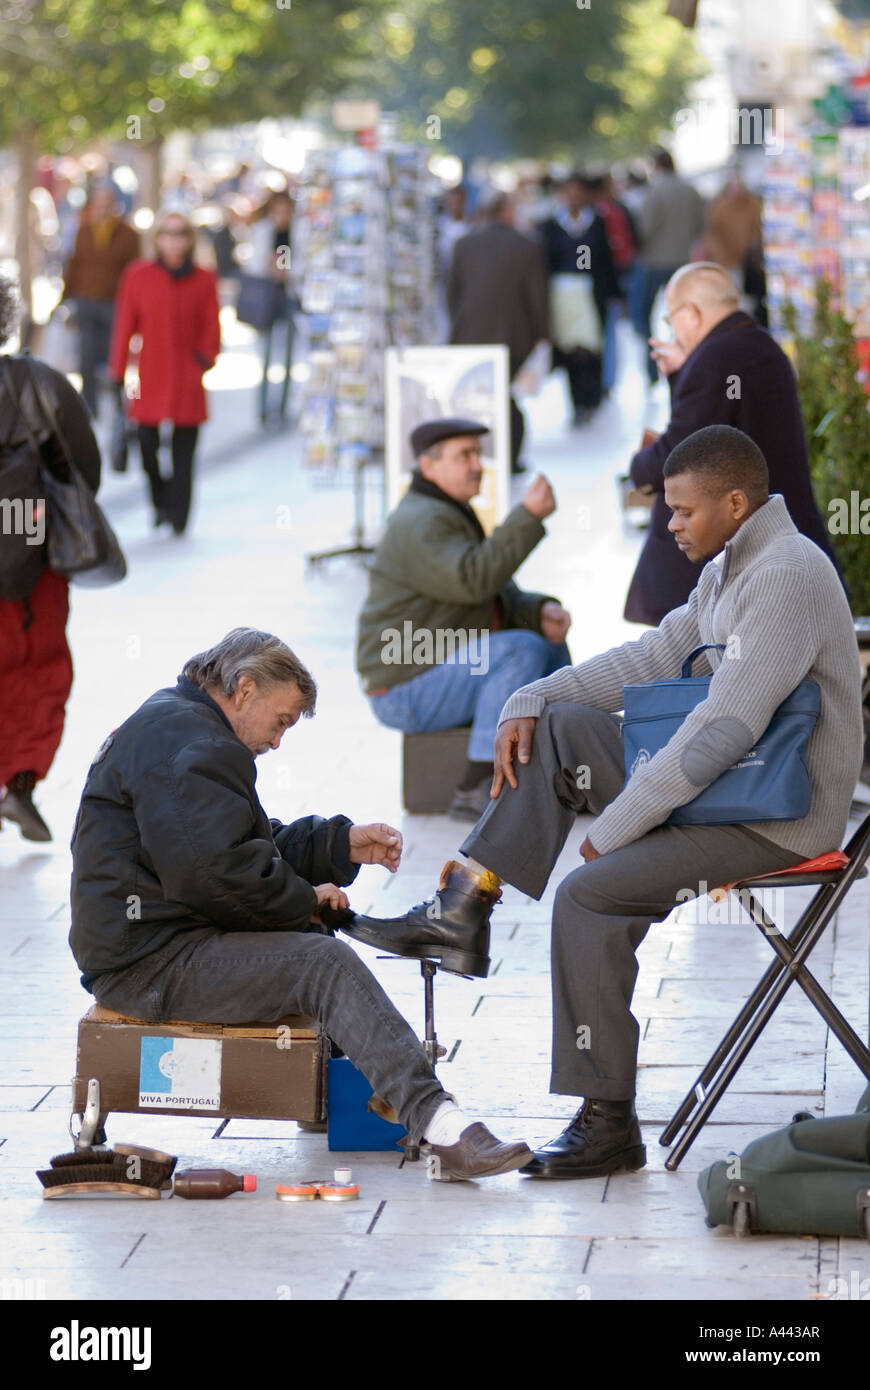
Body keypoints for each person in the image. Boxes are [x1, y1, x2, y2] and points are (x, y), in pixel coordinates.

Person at [338, 425, 864, 1178]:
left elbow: (721, 733)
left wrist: (615, 826)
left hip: (772, 816)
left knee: (587, 896)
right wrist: (531, 691)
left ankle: (608, 1123)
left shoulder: (783, 577)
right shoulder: (732, 565)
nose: (670, 524)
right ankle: (463, 910)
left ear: (736, 502)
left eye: (682, 511)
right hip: (734, 784)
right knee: (554, 728)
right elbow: (653, 656)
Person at [68, 628, 533, 1182]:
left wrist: (338, 845)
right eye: (282, 720)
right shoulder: (193, 745)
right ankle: (439, 1125)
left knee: (314, 941)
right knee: (321, 963)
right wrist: (304, 900)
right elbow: (213, 875)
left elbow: (238, 843)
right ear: (244, 689)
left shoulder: (183, 726)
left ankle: (339, 1104)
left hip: (155, 943)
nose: (278, 739)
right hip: (147, 963)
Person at [357, 417, 572, 820]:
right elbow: (473, 579)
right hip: (403, 687)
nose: (477, 464)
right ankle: (476, 785)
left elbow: (493, 589)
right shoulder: (423, 521)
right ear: (429, 466)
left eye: (478, 454)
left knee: (547, 641)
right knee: (519, 650)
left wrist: (538, 610)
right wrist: (527, 516)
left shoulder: (446, 510)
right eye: (464, 456)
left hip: (433, 666)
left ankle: (567, 762)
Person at [624, 262, 844, 625]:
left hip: (743, 554)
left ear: (690, 314)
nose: (672, 331)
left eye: (670, 320)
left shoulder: (714, 360)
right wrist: (683, 373)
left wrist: (638, 465)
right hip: (782, 538)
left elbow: (681, 458)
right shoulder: (761, 345)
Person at [0, 273, 102, 842]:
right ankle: (19, 781)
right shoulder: (37, 382)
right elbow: (84, 469)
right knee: (39, 666)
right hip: (33, 559)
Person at [109, 209, 221, 535]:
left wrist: (204, 359)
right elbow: (125, 325)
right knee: (146, 444)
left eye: (180, 233)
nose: (173, 240)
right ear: (157, 239)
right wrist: (118, 372)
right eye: (167, 233)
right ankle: (159, 499)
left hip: (187, 374)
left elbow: (212, 325)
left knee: (184, 451)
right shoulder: (138, 275)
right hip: (150, 374)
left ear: (189, 239)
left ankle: (179, 514)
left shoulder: (203, 279)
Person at [446, 191, 549, 474]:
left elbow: (452, 293)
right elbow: (536, 296)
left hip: (469, 335)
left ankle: (477, 455)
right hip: (512, 336)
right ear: (507, 212)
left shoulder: (463, 244)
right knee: (506, 396)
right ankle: (510, 458)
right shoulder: (526, 245)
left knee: (478, 395)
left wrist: (459, 326)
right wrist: (542, 334)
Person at [538, 174, 620, 425]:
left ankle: (592, 397)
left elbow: (607, 262)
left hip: (592, 293)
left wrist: (616, 294)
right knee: (569, 351)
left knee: (592, 348)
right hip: (562, 294)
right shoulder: (550, 226)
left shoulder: (597, 223)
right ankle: (577, 403)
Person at [61, 185, 140, 419]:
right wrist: (66, 298)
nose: (102, 207)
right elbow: (74, 265)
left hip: (114, 302)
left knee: (114, 355)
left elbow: (133, 270)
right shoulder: (84, 230)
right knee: (86, 354)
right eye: (98, 202)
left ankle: (118, 403)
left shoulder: (128, 234)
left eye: (106, 201)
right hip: (87, 300)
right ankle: (90, 405)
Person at [635, 149, 705, 386]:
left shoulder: (654, 192)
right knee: (681, 316)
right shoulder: (691, 191)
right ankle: (683, 363)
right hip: (682, 262)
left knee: (643, 317)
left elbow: (645, 229)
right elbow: (700, 226)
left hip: (653, 262)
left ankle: (653, 368)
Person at [245, 190, 298, 426]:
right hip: (266, 298)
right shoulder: (263, 231)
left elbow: (300, 264)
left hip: (288, 297)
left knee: (287, 355)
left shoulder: (297, 232)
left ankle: (282, 408)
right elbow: (251, 263)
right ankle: (263, 409)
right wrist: (269, 265)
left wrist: (288, 271)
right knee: (265, 356)